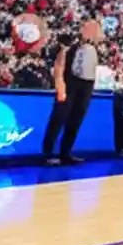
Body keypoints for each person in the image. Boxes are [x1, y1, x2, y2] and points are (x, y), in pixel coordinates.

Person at [42, 20, 103, 165]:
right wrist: (60, 85)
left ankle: (66, 152)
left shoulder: (96, 46)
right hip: (70, 82)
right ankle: (48, 153)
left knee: (76, 120)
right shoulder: (71, 43)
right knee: (59, 118)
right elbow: (59, 64)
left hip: (86, 84)